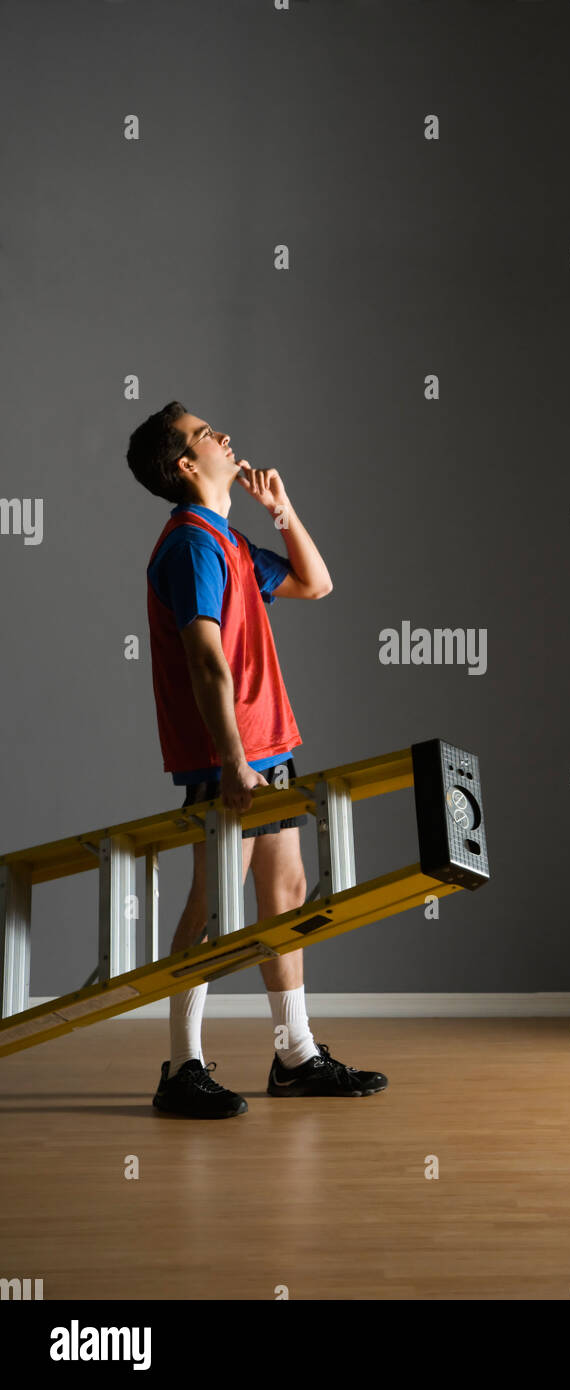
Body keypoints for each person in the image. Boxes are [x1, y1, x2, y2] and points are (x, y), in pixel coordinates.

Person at [125, 401, 387, 1117]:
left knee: (285, 894)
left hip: (270, 749)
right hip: (232, 758)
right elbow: (205, 661)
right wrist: (234, 762)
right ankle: (181, 1068)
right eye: (209, 435)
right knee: (213, 907)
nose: (225, 439)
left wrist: (281, 509)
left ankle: (294, 1054)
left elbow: (316, 582)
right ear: (186, 463)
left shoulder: (228, 540)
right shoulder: (189, 545)